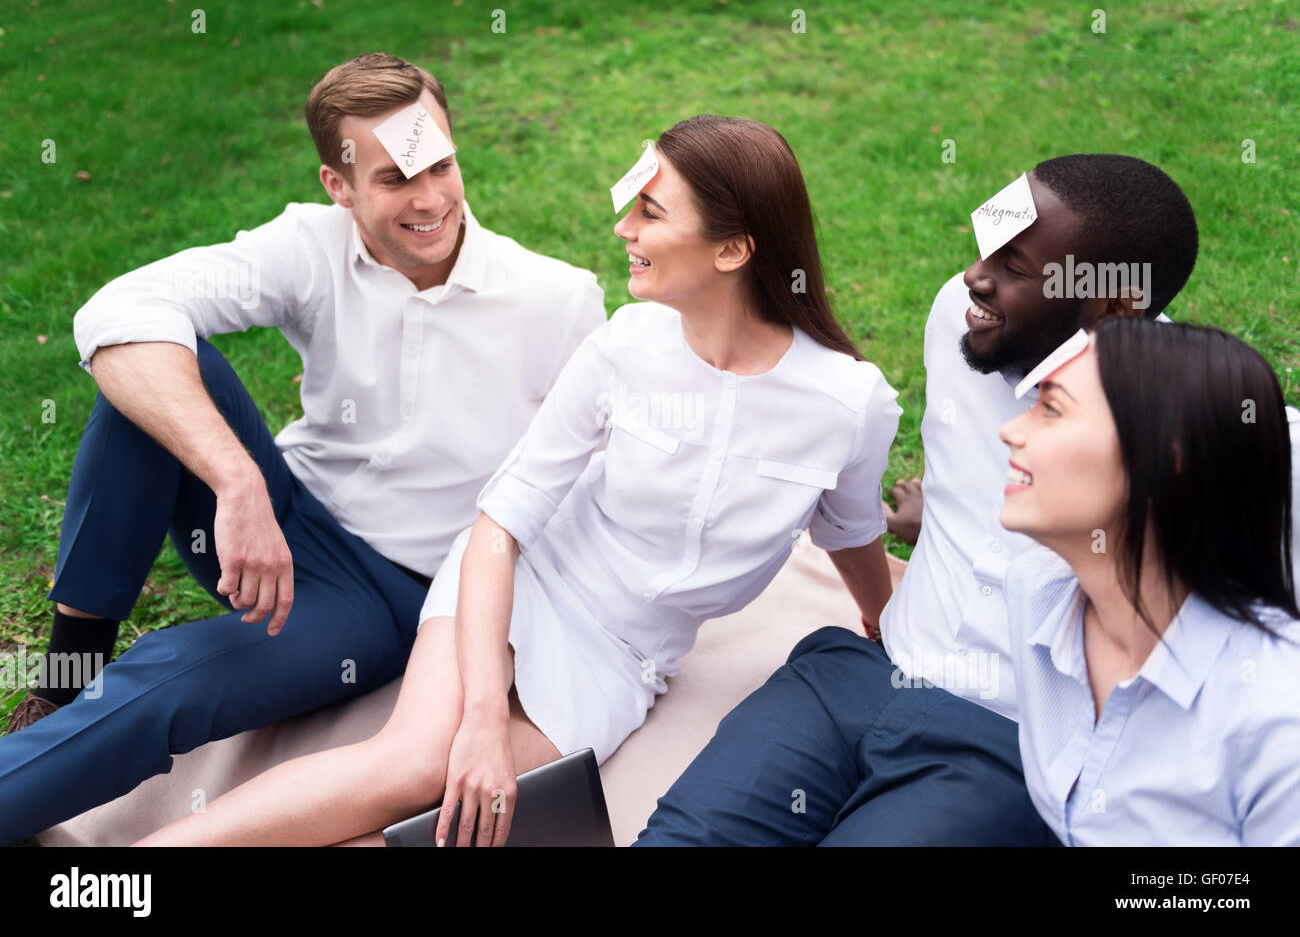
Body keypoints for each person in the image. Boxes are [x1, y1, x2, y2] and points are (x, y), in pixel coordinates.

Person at [132, 114, 904, 847]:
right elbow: (502, 521)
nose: (623, 229)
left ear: (732, 250)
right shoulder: (624, 347)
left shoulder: (848, 404)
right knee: (414, 766)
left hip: (627, 658)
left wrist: (888, 622)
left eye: (651, 213)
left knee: (470, 820)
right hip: (523, 576)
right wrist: (477, 713)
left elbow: (850, 527)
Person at [0, 52, 606, 846]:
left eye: (442, 166)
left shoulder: (556, 299)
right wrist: (237, 479)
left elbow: (597, 482)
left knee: (166, 683)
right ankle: (61, 675)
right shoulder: (311, 244)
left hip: (389, 597)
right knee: (148, 379)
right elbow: (115, 311)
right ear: (339, 186)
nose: (430, 199)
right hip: (279, 526)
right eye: (394, 179)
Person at [634, 153, 1279, 845]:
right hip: (860, 675)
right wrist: (928, 517)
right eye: (984, 246)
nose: (977, 277)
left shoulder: (1193, 431)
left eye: (1016, 269)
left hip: (994, 736)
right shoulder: (962, 314)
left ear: (1116, 304)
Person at [1000, 318, 1299, 845]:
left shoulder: (1276, 717)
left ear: (1165, 460)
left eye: (1051, 408)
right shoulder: (1033, 592)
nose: (1012, 429)